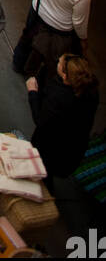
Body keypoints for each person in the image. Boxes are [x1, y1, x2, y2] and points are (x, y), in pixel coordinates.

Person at [27, 54, 99, 184]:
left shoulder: (59, 98)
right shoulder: (91, 92)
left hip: (52, 152)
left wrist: (32, 92)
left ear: (65, 76)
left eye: (59, 63)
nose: (57, 62)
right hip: (72, 151)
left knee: (42, 174)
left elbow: (40, 119)